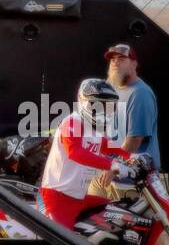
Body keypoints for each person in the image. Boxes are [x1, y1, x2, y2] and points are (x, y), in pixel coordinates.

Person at [88, 42, 167, 245]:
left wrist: (113, 165)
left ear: (134, 63)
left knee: (148, 226)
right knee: (94, 218)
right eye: (112, 58)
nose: (115, 61)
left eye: (121, 58)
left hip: (134, 176)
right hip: (111, 173)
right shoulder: (114, 92)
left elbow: (134, 140)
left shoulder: (140, 93)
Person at [40, 77, 137, 229]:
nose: (104, 110)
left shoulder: (93, 128)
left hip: (78, 198)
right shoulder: (72, 122)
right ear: (84, 102)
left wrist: (132, 157)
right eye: (99, 105)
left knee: (117, 214)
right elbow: (75, 152)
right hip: (58, 198)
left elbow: (107, 146)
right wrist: (112, 164)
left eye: (107, 106)